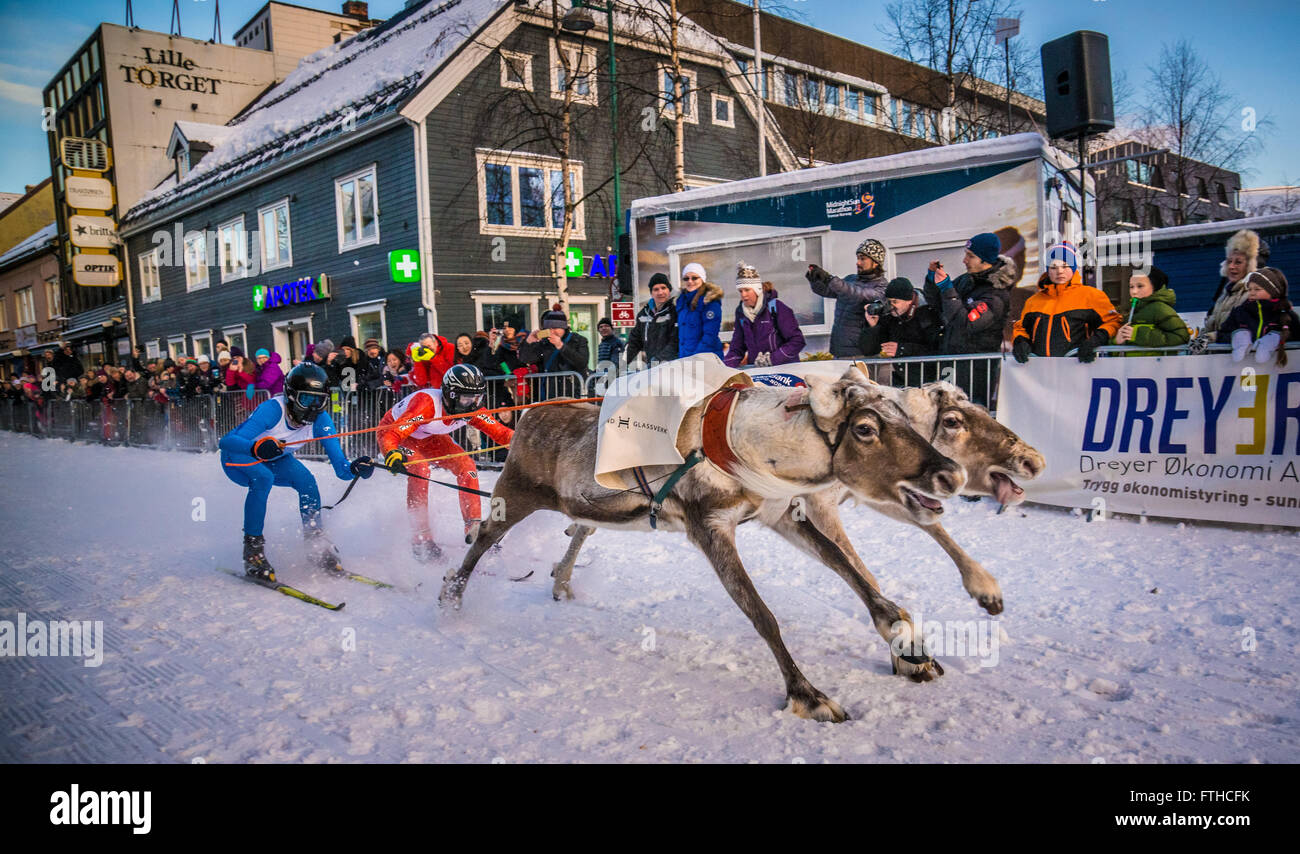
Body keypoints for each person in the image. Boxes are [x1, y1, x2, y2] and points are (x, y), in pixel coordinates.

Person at [218, 363, 373, 580]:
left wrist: (357, 468)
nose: (313, 408)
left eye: (320, 400)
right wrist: (254, 448)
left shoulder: (321, 419)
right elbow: (226, 442)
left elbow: (342, 470)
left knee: (307, 482)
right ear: (290, 396)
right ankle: (252, 551)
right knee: (263, 478)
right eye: (307, 399)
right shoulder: (273, 410)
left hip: (273, 458)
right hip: (237, 457)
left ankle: (315, 545)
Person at [376, 364, 514, 561]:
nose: (472, 404)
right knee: (420, 469)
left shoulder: (472, 409)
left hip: (429, 435)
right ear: (450, 394)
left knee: (467, 467)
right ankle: (421, 538)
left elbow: (502, 433)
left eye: (477, 398)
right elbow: (393, 433)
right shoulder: (426, 404)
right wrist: (391, 452)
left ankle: (474, 528)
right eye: (466, 398)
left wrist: (528, 444)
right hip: (396, 434)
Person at [925, 232, 1018, 407]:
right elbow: (940, 305)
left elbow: (966, 323)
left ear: (985, 260)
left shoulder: (995, 294)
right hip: (951, 361)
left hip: (975, 372)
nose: (964, 260)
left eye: (971, 256)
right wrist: (933, 281)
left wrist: (947, 289)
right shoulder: (966, 281)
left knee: (967, 418)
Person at [1010, 241, 1121, 363]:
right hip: (1039, 372)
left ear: (1073, 267)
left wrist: (1095, 340)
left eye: (1065, 266)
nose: (1059, 271)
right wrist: (1020, 341)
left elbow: (1113, 321)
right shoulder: (1033, 301)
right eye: (1053, 267)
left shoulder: (1091, 296)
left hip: (1077, 368)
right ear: (1048, 270)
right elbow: (1021, 328)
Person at [805, 238, 889, 357]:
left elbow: (856, 294)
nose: (858, 262)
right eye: (858, 258)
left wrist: (829, 278)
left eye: (862, 259)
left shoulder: (881, 286)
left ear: (876, 263)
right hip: (838, 351)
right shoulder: (850, 279)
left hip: (861, 353)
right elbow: (828, 291)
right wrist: (815, 280)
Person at [858, 277, 942, 381]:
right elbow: (869, 350)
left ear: (909, 300)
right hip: (899, 379)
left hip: (925, 380)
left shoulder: (928, 315)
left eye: (895, 301)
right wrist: (872, 326)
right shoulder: (889, 316)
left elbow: (937, 350)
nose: (891, 306)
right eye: (888, 301)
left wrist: (902, 349)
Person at [1196, 229, 1267, 349]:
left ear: (1250, 265)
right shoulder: (1225, 294)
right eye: (1229, 261)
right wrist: (1199, 340)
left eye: (1238, 262)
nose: (1232, 266)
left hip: (1240, 363)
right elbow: (1210, 327)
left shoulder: (1252, 296)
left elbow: (1248, 334)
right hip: (1217, 360)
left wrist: (1212, 337)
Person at [723, 263, 805, 367]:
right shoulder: (741, 313)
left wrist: (773, 359)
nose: (743, 295)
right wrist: (725, 367)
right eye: (740, 291)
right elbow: (737, 348)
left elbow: (797, 341)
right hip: (757, 370)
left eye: (747, 290)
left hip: (784, 370)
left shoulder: (776, 307)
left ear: (757, 290)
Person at [1219, 267, 1298, 366]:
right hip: (1241, 373)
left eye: (1257, 289)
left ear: (1272, 292)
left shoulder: (1285, 314)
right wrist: (1236, 337)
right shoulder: (1239, 312)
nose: (1252, 293)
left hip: (1274, 374)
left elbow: (1296, 336)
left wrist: (1277, 338)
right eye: (1250, 289)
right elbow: (1221, 335)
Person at [1109, 266, 1190, 355]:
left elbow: (1181, 336)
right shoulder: (1132, 311)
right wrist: (1116, 341)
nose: (1134, 291)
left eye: (1140, 286)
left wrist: (1138, 334)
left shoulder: (1160, 309)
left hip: (1157, 366)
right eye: (1131, 287)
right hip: (1132, 366)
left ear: (1155, 287)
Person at [518, 309, 590, 378]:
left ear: (563, 328)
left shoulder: (578, 340)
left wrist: (561, 346)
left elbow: (582, 362)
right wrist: (528, 342)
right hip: (551, 387)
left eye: (555, 328)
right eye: (548, 328)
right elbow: (526, 359)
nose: (552, 331)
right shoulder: (544, 342)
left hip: (573, 386)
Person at [626, 272, 678, 367]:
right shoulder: (643, 314)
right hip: (653, 366)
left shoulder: (675, 311)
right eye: (656, 289)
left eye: (663, 288)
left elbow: (675, 342)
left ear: (669, 290)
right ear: (651, 293)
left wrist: (659, 359)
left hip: (671, 366)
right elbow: (634, 343)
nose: (660, 292)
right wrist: (618, 364)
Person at [675, 262, 725, 358]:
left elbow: (710, 334)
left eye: (694, 278)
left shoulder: (709, 301)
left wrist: (696, 357)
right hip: (685, 358)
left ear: (702, 279)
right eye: (686, 278)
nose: (690, 281)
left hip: (706, 358)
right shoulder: (681, 302)